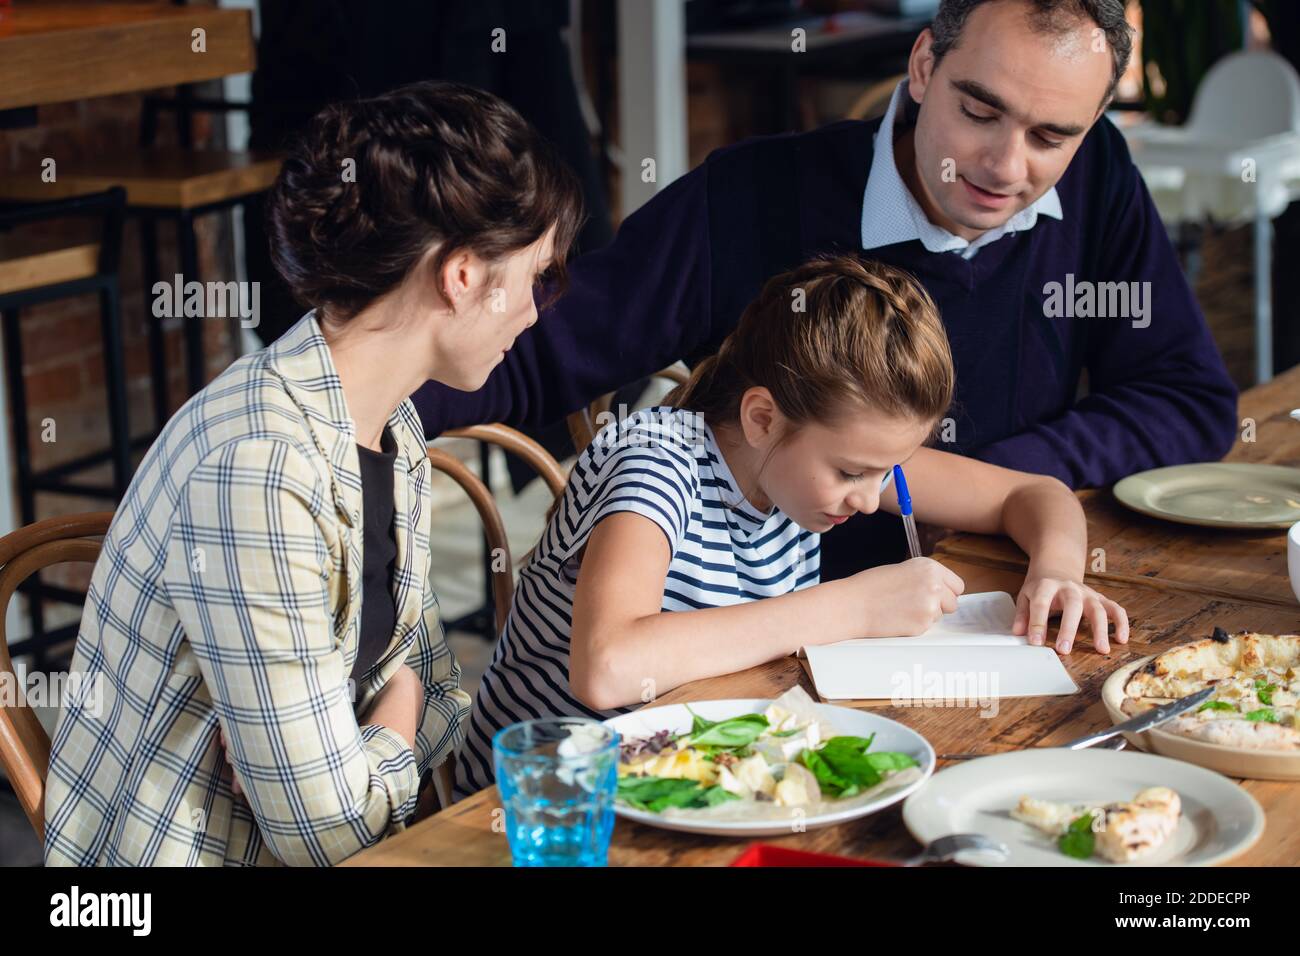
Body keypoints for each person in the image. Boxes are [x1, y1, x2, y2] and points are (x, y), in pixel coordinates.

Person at [411, 0, 1239, 584]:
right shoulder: (752, 196)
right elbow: (537, 353)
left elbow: (1188, 399)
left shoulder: (1097, 181)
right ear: (924, 66)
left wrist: (991, 486)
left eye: (1052, 135)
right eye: (979, 111)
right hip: (768, 640)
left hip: (999, 598)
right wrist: (348, 403)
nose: (1005, 166)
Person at [43, 81, 584, 865]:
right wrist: (390, 726)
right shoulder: (259, 471)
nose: (537, 312)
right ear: (463, 275)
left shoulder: (387, 422)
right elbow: (326, 833)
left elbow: (441, 694)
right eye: (536, 277)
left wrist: (366, 741)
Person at [454, 256, 1129, 796]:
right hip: (543, 809)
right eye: (852, 473)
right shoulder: (655, 464)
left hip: (689, 778)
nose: (871, 498)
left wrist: (1058, 574)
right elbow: (607, 669)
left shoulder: (827, 455)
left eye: (887, 470)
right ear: (762, 418)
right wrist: (851, 606)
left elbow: (1036, 494)